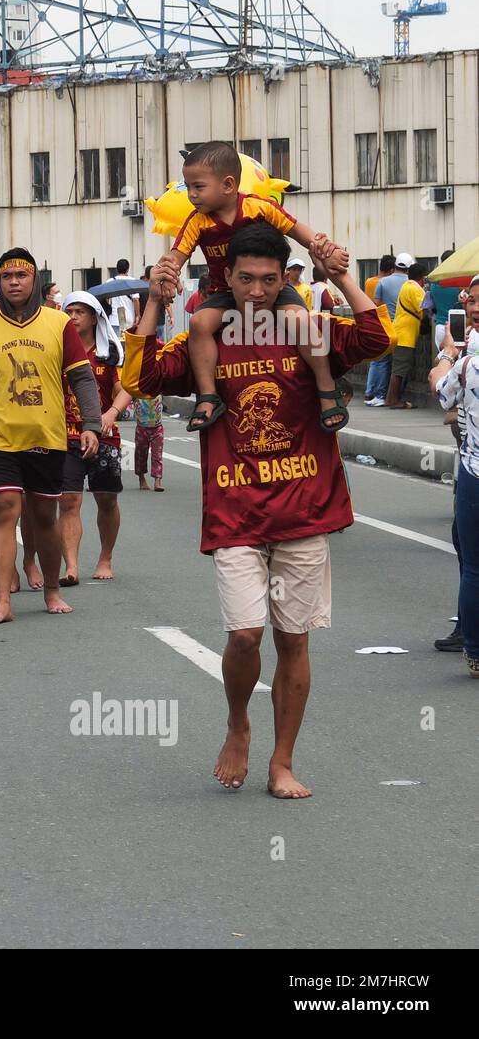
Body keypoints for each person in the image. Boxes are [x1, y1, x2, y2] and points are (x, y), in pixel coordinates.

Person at [123, 223, 391, 799]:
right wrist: (155, 299)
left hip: (304, 511)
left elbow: (375, 339)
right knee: (245, 635)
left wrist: (338, 269)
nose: (256, 291)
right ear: (227, 277)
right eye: (245, 279)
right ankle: (238, 723)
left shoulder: (304, 329)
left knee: (294, 640)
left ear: (284, 280)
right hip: (236, 511)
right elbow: (140, 376)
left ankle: (283, 761)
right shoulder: (209, 335)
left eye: (270, 280)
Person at [154, 141, 348, 433]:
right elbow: (177, 256)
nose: (191, 195)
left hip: (270, 289)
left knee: (302, 321)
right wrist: (167, 273)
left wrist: (325, 248)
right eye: (188, 187)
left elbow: (299, 232)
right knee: (199, 323)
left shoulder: (259, 208)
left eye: (198, 187)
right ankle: (207, 396)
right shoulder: (196, 222)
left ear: (228, 184)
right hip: (224, 294)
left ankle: (325, 388)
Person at [0, 248, 102, 623]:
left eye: (22, 276)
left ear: (34, 280)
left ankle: (52, 590)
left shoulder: (59, 324)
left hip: (48, 438)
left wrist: (91, 424)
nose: (14, 283)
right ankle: (2, 602)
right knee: (3, 513)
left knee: (44, 517)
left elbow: (82, 377)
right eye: (7, 277)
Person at [58, 291, 131, 584]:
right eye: (69, 311)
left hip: (105, 438)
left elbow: (126, 388)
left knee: (106, 499)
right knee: (68, 501)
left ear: (94, 317)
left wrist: (112, 412)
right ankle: (71, 566)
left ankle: (105, 557)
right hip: (65, 436)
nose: (73, 317)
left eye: (80, 312)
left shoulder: (108, 354)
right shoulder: (57, 351)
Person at [430, 276, 479, 667]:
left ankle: (473, 646)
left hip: (474, 469)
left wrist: (449, 355)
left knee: (473, 563)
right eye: (470, 300)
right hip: (468, 461)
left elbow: (442, 394)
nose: (473, 308)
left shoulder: (467, 360)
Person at [368, 253, 415, 406]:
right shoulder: (410, 283)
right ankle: (394, 396)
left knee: (380, 360)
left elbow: (376, 302)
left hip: (385, 324)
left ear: (395, 267)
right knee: (399, 365)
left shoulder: (383, 282)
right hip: (404, 326)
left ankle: (376, 394)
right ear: (408, 268)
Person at [384, 262, 428, 410]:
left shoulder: (406, 285)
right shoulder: (415, 289)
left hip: (400, 331)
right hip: (405, 335)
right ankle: (393, 400)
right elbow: (424, 307)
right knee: (399, 369)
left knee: (397, 368)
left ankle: (391, 398)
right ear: (422, 278)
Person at [133, 395, 164, 491]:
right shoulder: (137, 388)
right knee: (140, 454)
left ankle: (157, 481)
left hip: (157, 427)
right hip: (141, 427)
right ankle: (141, 478)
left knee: (157, 455)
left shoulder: (158, 386)